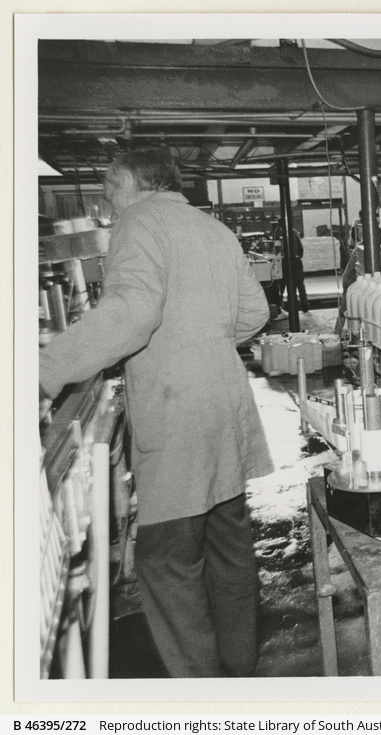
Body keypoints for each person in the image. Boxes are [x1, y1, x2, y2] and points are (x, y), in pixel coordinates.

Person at [39, 147, 274, 677]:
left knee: (166, 559)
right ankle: (241, 668)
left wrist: (44, 370)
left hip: (176, 407)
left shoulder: (138, 222)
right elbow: (255, 311)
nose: (106, 198)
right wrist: (205, 340)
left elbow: (132, 314)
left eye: (109, 186)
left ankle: (200, 695)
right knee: (228, 545)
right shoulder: (213, 228)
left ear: (133, 182)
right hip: (225, 398)